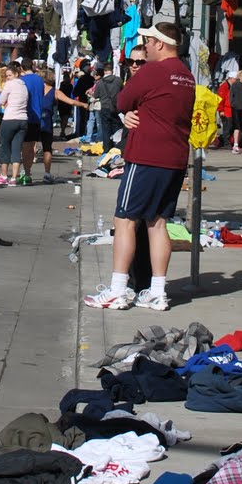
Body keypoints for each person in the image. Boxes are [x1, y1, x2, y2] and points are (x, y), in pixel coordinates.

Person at [84, 20, 195, 313]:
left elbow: (121, 100)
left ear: (160, 43)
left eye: (147, 42)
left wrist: (128, 112)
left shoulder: (153, 71)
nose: (144, 47)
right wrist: (133, 112)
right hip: (175, 157)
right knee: (158, 224)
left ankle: (118, 290)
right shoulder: (186, 75)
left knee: (124, 221)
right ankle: (157, 291)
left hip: (147, 156)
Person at [0, 64, 28, 186]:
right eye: (7, 76)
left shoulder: (10, 84)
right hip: (23, 119)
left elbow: (1, 100)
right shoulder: (24, 86)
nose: (8, 78)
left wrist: (5, 101)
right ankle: (14, 178)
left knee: (5, 147)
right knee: (16, 149)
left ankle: (4, 175)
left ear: (16, 74)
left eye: (10, 75)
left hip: (10, 118)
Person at [19, 59, 46, 184]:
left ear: (21, 68)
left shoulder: (22, 81)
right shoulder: (40, 80)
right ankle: (28, 171)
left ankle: (25, 171)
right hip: (37, 114)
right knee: (31, 145)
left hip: (26, 114)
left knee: (24, 145)